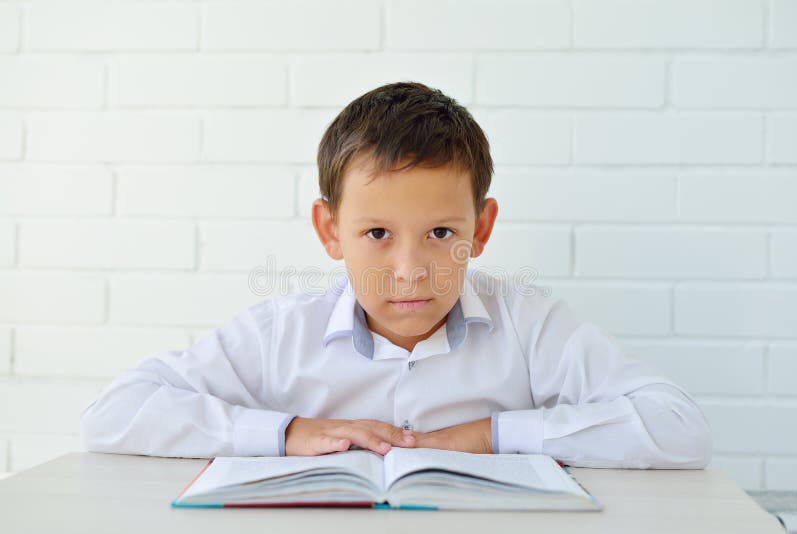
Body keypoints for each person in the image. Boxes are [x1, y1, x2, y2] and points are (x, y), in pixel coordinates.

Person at [80, 81, 713, 468]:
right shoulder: (279, 333)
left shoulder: (528, 324)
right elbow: (113, 414)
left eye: (441, 234)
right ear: (330, 230)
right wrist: (289, 432)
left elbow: (679, 428)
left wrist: (490, 435)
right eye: (377, 234)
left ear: (481, 229)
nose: (409, 273)